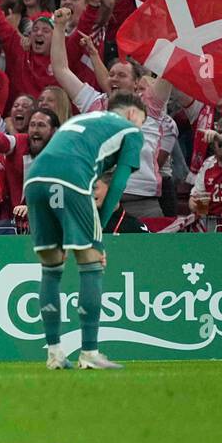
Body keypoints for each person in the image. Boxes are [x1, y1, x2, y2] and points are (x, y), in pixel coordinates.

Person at [23, 93, 148, 371]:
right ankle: (90, 352)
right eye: (141, 122)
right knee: (90, 264)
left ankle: (54, 352)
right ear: (131, 115)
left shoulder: (82, 119)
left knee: (51, 269)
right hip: (72, 178)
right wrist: (98, 238)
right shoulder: (129, 130)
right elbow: (117, 186)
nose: (140, 129)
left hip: (34, 179)